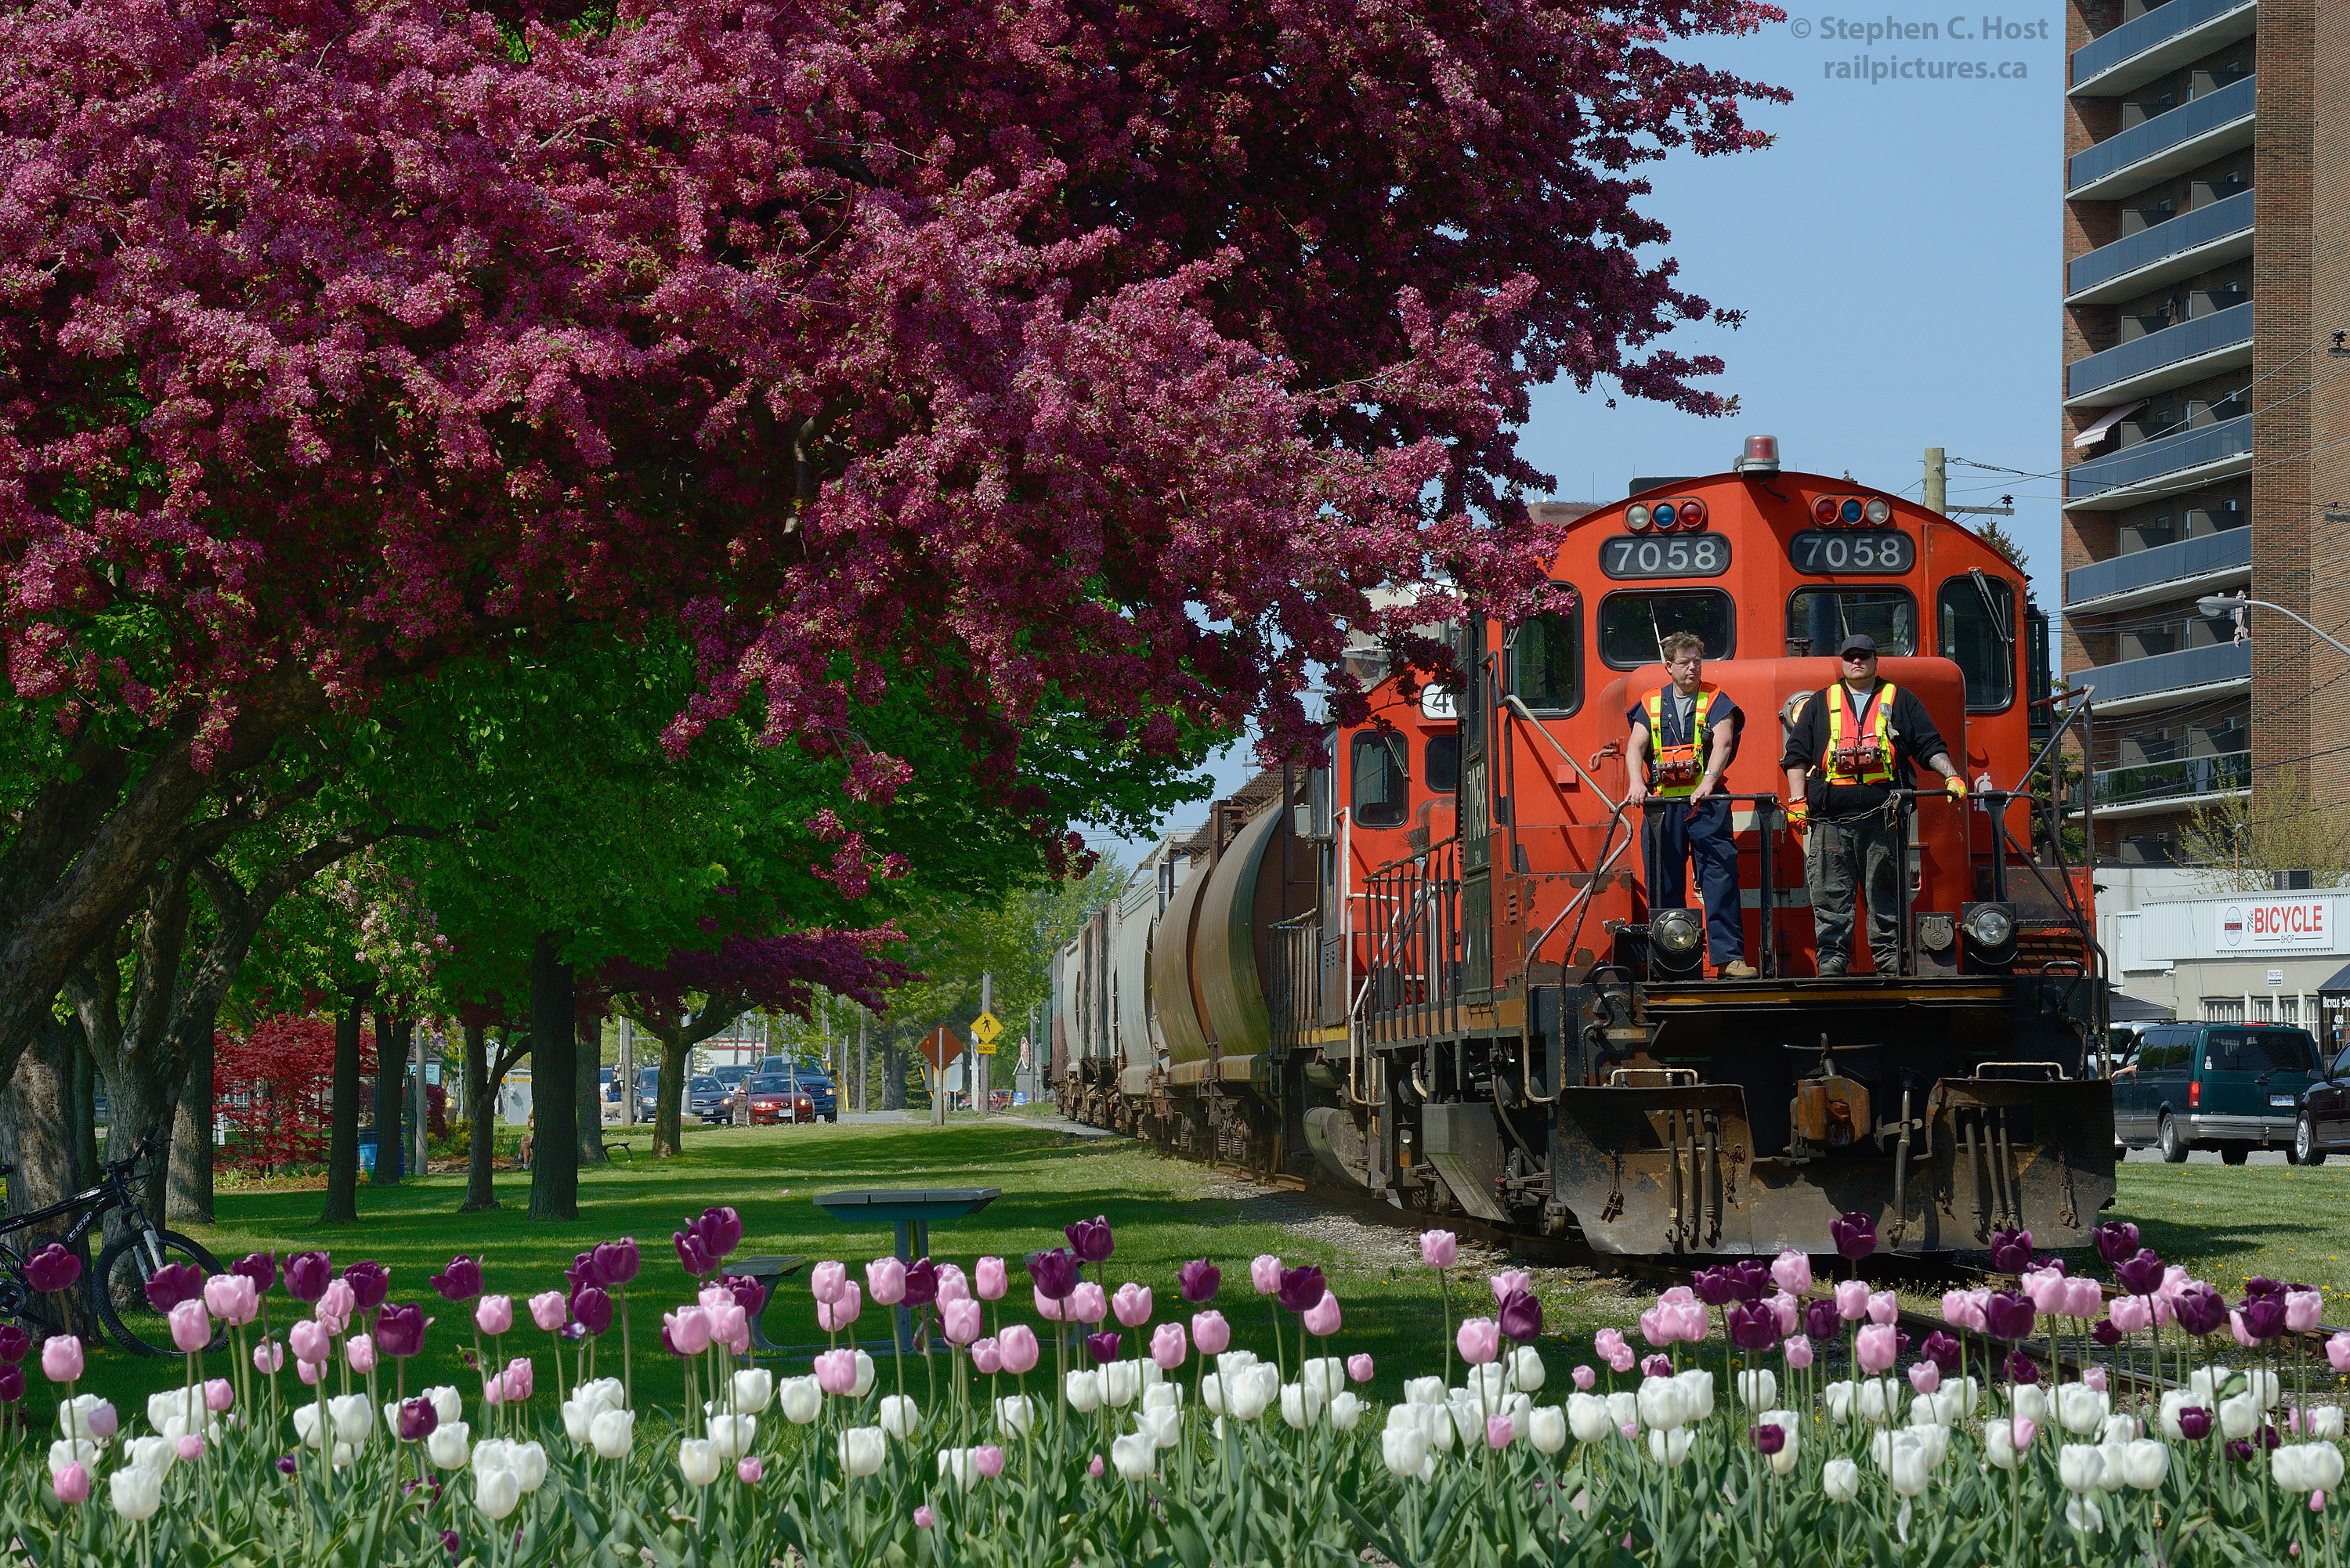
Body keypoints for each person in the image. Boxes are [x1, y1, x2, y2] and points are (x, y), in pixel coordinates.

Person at [1779, 634, 1966, 977]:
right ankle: (1832, 961)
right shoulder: (1820, 703)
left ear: (1875, 660)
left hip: (1885, 819)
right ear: (1843, 661)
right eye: (1850, 656)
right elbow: (1795, 756)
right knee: (1830, 895)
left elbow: (1929, 745)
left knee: (1885, 894)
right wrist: (1797, 800)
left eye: (1863, 655)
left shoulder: (1901, 700)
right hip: (1830, 820)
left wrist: (1951, 776)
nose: (1857, 661)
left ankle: (1889, 960)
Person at [1626, 632, 1755, 980]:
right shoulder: (1650, 702)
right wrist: (1637, 782)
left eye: (1697, 660)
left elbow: (1724, 741)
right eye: (1685, 662)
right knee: (1663, 880)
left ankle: (1729, 959)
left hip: (1707, 805)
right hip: (1662, 807)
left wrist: (1708, 782)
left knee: (1719, 877)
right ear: (1668, 666)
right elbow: (1635, 747)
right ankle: (1673, 962)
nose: (1693, 668)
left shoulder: (1717, 699)